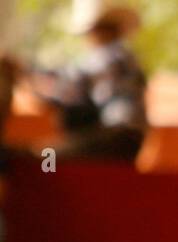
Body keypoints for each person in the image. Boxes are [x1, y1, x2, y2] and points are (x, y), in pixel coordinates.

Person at [13, 0, 147, 162]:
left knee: (44, 157)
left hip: (116, 136)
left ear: (95, 31)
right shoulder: (123, 57)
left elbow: (68, 89)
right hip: (126, 138)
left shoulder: (107, 57)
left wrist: (26, 78)